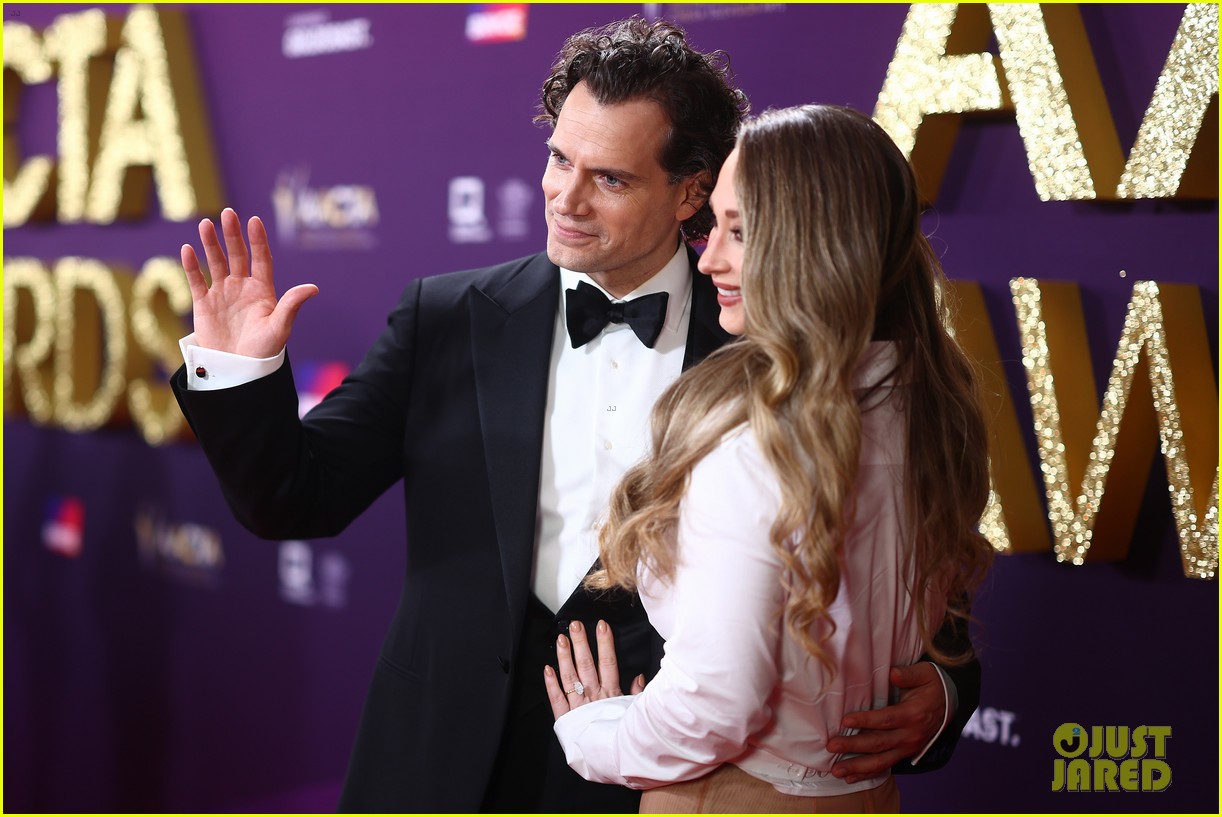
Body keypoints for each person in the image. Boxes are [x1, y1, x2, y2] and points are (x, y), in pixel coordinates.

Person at [170, 19, 976, 813]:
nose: (566, 197)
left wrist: (942, 690)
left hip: (652, 772)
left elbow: (903, 555)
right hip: (440, 759)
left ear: (691, 190)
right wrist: (239, 372)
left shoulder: (772, 336)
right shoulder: (449, 316)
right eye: (560, 159)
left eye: (611, 179)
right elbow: (293, 498)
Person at [542, 104, 995, 812]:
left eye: (741, 231)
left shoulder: (754, 440)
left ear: (817, 247)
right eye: (716, 227)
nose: (709, 258)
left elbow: (714, 708)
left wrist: (592, 734)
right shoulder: (927, 406)